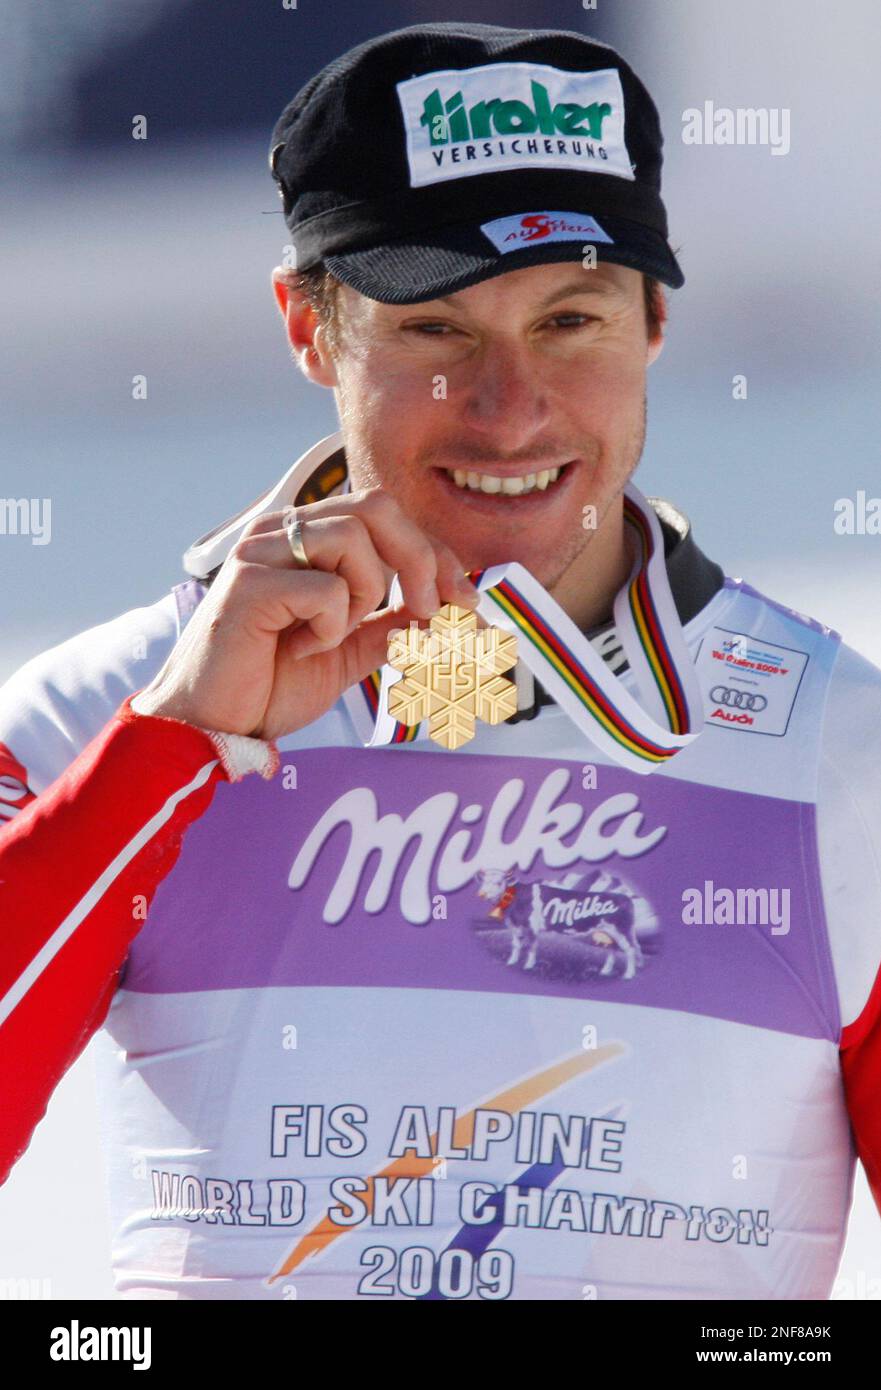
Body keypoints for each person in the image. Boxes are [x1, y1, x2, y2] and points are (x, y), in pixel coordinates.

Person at [1, 21, 879, 1302]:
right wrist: (168, 753)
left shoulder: (838, 754)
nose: (509, 406)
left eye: (569, 318)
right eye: (431, 329)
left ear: (653, 324)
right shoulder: (96, 714)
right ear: (308, 329)